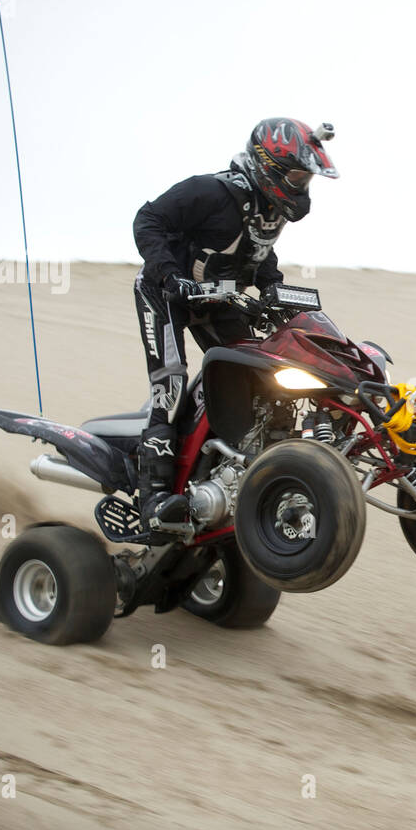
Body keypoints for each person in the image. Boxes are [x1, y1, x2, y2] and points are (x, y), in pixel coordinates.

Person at [131, 117, 338, 537]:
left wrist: (275, 292)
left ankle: (235, 469)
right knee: (170, 386)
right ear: (268, 166)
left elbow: (258, 259)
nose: (302, 187)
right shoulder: (211, 191)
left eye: (306, 179)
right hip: (165, 294)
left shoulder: (267, 210)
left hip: (218, 298)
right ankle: (154, 501)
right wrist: (170, 275)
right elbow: (148, 220)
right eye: (297, 177)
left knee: (259, 374)